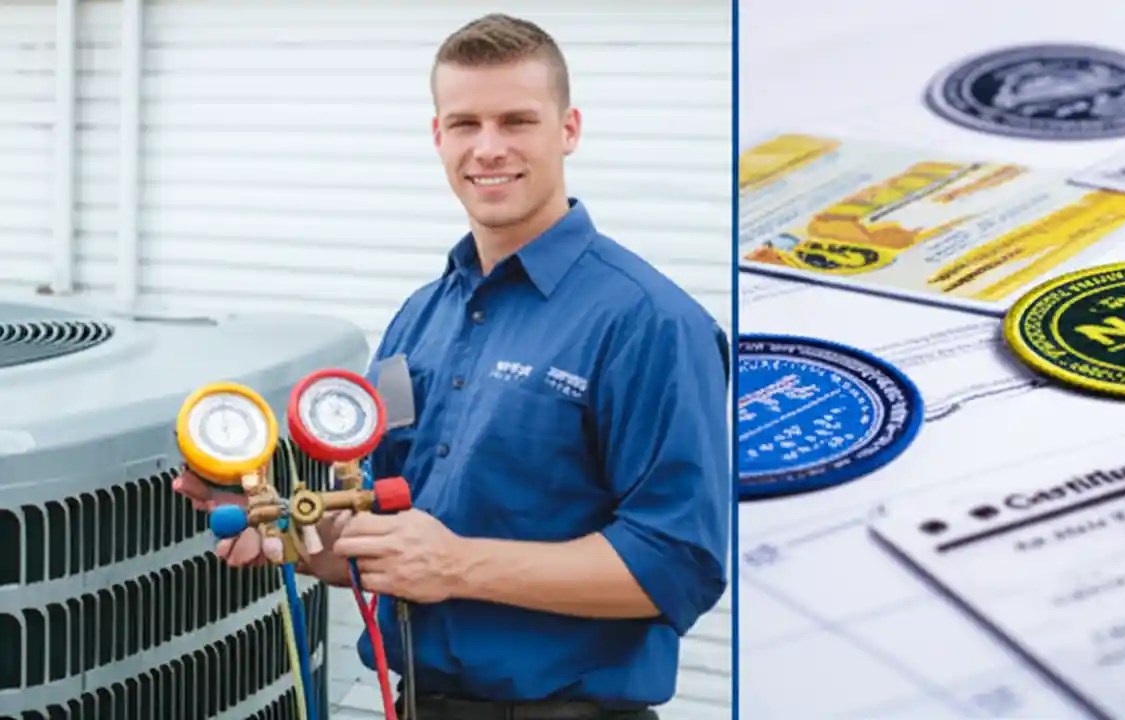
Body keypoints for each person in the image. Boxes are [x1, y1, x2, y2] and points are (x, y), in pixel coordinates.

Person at [172, 12, 730, 720]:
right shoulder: (419, 319)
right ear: (438, 136)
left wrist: (457, 565)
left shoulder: (650, 323)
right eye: (465, 123)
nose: (488, 148)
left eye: (517, 121)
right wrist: (282, 531)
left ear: (570, 130)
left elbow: (677, 562)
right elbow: (383, 535)